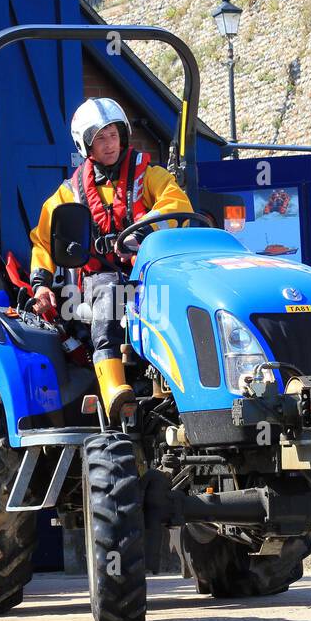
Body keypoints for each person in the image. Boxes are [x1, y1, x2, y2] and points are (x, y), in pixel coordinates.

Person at [28, 97, 192, 420]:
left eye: (114, 135)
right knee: (110, 293)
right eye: (100, 138)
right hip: (96, 285)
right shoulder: (68, 193)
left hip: (148, 276)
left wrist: (142, 234)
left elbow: (177, 203)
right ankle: (114, 390)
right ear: (86, 145)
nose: (109, 144)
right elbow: (43, 240)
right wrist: (40, 285)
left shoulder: (150, 175)